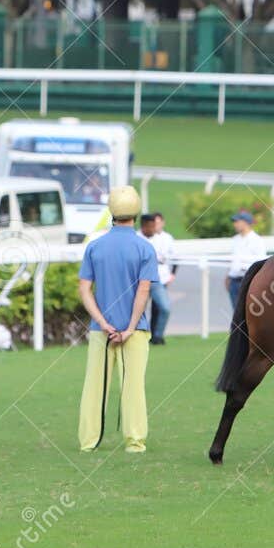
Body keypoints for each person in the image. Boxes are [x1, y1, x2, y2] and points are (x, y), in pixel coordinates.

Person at [77, 185, 158, 453]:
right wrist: (130, 327)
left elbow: (84, 290)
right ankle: (134, 442)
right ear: (135, 212)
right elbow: (143, 291)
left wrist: (102, 322)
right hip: (134, 331)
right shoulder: (145, 248)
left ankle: (88, 442)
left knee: (94, 386)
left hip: (101, 331)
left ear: (112, 211)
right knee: (133, 387)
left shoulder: (95, 247)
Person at [140, 212, 176, 345]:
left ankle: (157, 336)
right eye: (151, 226)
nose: (153, 229)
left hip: (157, 280)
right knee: (138, 311)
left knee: (164, 308)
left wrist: (172, 273)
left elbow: (170, 257)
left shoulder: (161, 238)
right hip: (140, 281)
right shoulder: (137, 238)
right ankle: (139, 336)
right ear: (144, 226)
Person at [225, 211, 266, 309]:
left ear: (245, 222)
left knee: (248, 311)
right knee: (236, 312)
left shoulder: (257, 240)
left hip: (248, 280)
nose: (235, 224)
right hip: (234, 280)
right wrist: (228, 276)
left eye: (237, 221)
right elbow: (233, 261)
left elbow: (261, 262)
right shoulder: (235, 239)